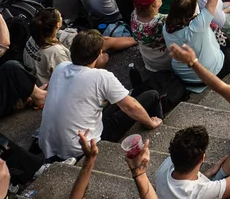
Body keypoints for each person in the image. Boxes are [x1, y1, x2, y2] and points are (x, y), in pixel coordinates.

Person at [34, 29, 161, 160]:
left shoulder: (61, 67)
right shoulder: (101, 77)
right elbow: (130, 107)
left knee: (113, 102)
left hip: (48, 145)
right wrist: (151, 123)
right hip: (81, 148)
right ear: (100, 53)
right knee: (151, 96)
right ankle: (157, 128)